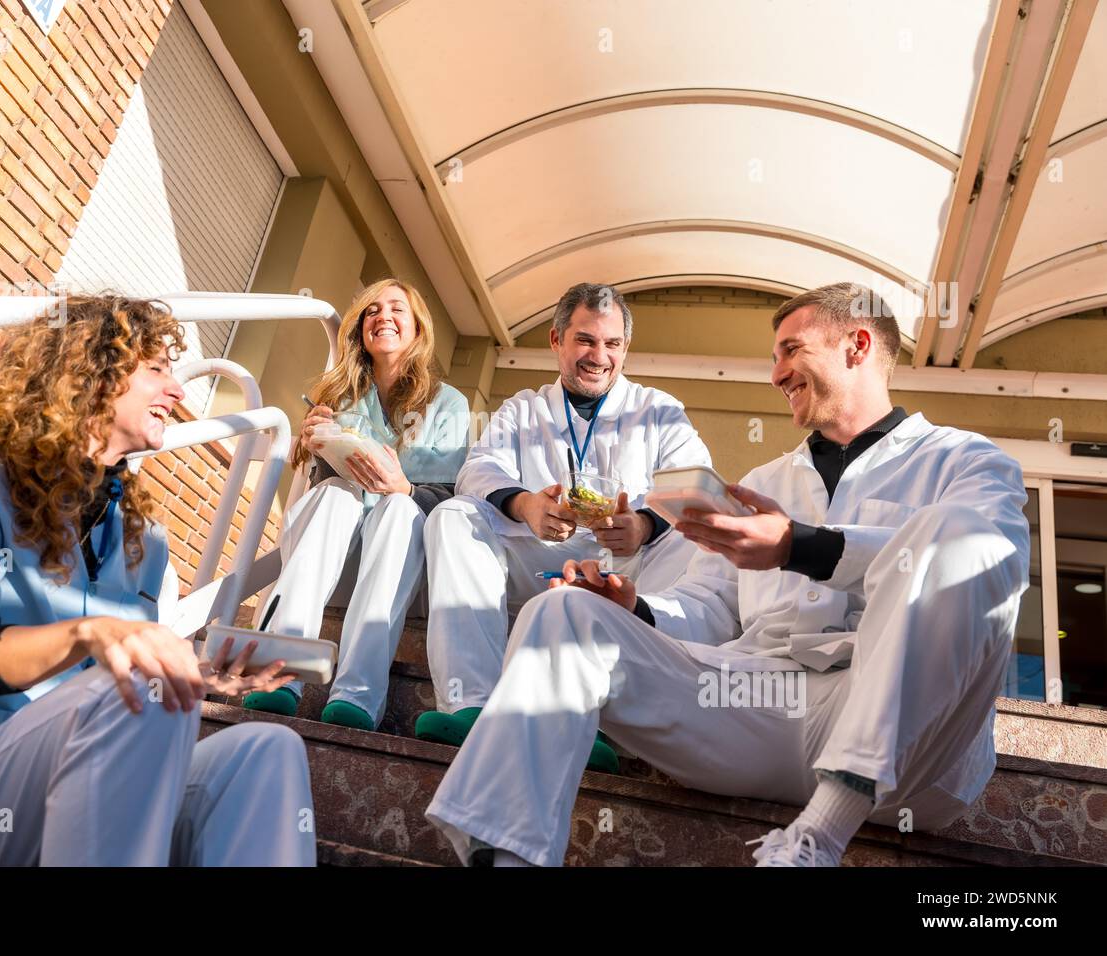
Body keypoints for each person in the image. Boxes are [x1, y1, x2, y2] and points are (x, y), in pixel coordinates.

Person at [423, 282, 1030, 867]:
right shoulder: (763, 484)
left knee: (962, 534)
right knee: (563, 611)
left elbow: (984, 563)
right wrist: (634, 608)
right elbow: (708, 607)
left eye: (791, 350)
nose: (776, 374)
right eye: (774, 358)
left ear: (858, 346)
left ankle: (820, 833)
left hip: (911, 746)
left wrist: (798, 545)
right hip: (753, 702)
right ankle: (507, 857)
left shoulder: (966, 461)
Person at [0, 295, 317, 866]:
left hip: (78, 796)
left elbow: (109, 694)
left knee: (267, 751)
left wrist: (200, 677)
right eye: (156, 369)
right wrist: (90, 635)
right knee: (137, 687)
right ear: (91, 372)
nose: (177, 391)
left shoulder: (144, 539)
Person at [417, 282, 713, 772]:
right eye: (585, 340)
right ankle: (471, 704)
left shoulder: (658, 409)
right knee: (454, 514)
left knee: (691, 536)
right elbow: (478, 469)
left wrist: (643, 525)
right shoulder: (523, 408)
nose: (599, 356)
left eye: (612, 343)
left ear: (625, 348)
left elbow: (696, 483)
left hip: (625, 565)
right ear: (556, 340)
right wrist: (526, 505)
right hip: (538, 554)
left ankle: (605, 722)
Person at [242, 278, 469, 731]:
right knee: (334, 496)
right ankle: (278, 673)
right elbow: (326, 481)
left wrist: (405, 488)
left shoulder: (450, 404)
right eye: (372, 310)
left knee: (399, 509)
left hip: (399, 561)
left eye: (396, 309)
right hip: (333, 554)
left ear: (418, 327)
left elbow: (450, 498)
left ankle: (357, 695)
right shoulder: (338, 395)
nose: (382, 316)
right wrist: (316, 444)